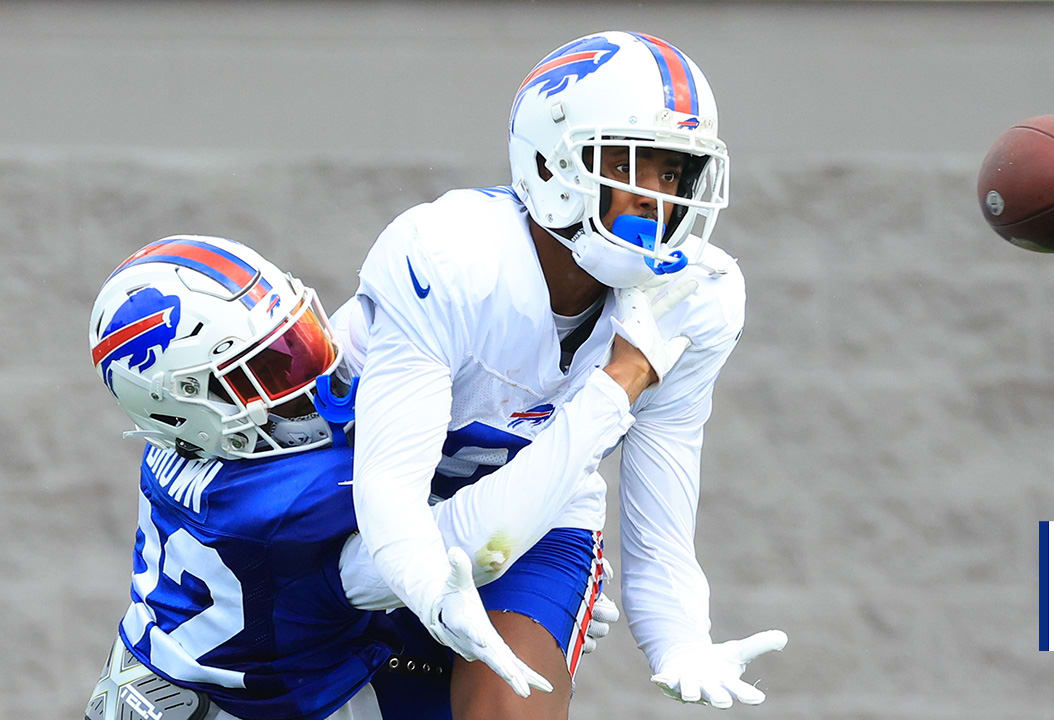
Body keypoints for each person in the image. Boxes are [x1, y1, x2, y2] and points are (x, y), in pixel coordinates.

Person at [343, 30, 787, 719]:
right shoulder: (455, 257)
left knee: (509, 704)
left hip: (534, 524)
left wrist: (680, 639)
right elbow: (388, 492)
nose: (656, 199)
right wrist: (432, 590)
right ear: (553, 163)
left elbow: (662, 516)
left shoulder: (695, 297)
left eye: (672, 174)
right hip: (342, 499)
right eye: (632, 165)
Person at [84, 235, 666, 720]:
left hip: (169, 665)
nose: (314, 369)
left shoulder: (192, 445)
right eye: (266, 369)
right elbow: (469, 544)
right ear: (184, 404)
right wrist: (616, 386)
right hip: (268, 700)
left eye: (299, 337)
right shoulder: (284, 506)